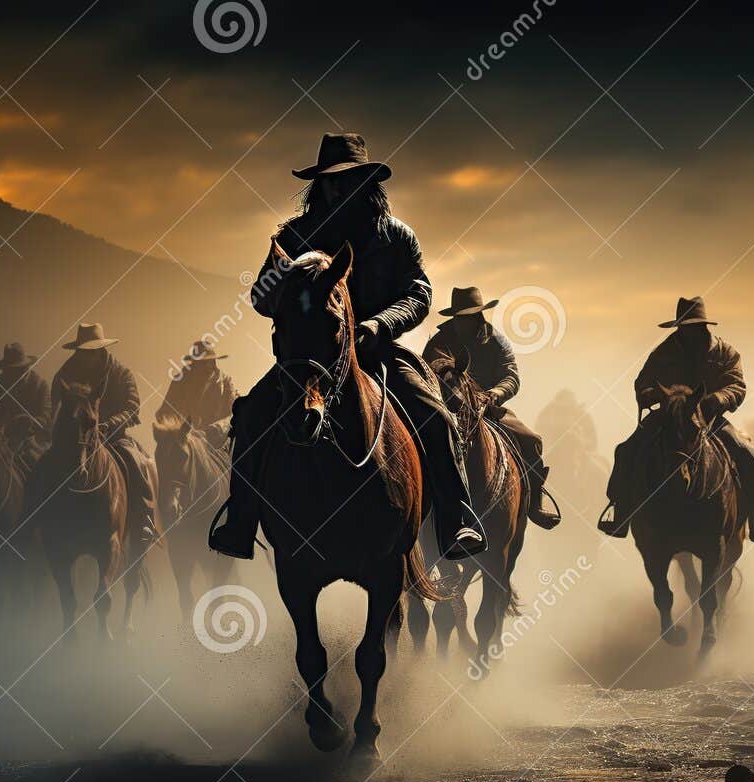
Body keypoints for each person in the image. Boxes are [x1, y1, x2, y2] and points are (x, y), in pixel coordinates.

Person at [208, 132, 485, 561]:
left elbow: (419, 293)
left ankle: (456, 518)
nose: (339, 188)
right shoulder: (294, 235)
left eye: (348, 179)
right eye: (332, 180)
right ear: (320, 184)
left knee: (435, 415)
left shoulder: (396, 237)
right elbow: (261, 297)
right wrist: (286, 276)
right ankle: (240, 523)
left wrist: (378, 324)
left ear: (366, 183)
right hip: (309, 360)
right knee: (251, 415)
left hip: (377, 352)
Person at [603, 296, 754, 543]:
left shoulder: (725, 353)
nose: (689, 332)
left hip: (710, 419)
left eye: (694, 327)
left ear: (704, 326)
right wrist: (660, 396)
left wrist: (717, 399)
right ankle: (620, 512)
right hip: (669, 419)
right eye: (685, 327)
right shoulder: (663, 352)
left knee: (749, 455)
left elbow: (736, 385)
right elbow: (643, 383)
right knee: (626, 451)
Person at [423, 286, 560, 529]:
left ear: (479, 315)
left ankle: (534, 504)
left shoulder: (497, 341)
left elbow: (511, 376)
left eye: (469, 316)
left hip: (489, 410)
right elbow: (426, 371)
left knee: (531, 441)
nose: (464, 322)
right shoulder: (439, 342)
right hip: (447, 409)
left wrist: (495, 394)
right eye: (460, 317)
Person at [51, 322, 158, 546]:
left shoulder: (121, 373)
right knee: (45, 465)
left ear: (100, 351)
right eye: (82, 351)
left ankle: (145, 521)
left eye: (89, 351)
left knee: (137, 462)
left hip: (114, 437)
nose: (84, 356)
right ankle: (40, 520)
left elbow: (132, 407)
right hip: (77, 438)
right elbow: (56, 406)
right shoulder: (65, 374)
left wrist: (108, 425)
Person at [159, 339, 238, 446]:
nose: (203, 366)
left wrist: (213, 430)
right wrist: (174, 428)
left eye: (206, 362)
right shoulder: (180, 381)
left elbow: (233, 414)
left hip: (218, 442)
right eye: (199, 363)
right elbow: (166, 411)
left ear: (213, 362)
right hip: (184, 440)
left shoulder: (226, 383)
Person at [0, 342, 50, 455]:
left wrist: (29, 422)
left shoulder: (40, 385)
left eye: (18, 369)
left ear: (26, 367)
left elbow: (47, 417)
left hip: (31, 442)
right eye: (10, 370)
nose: (13, 374)